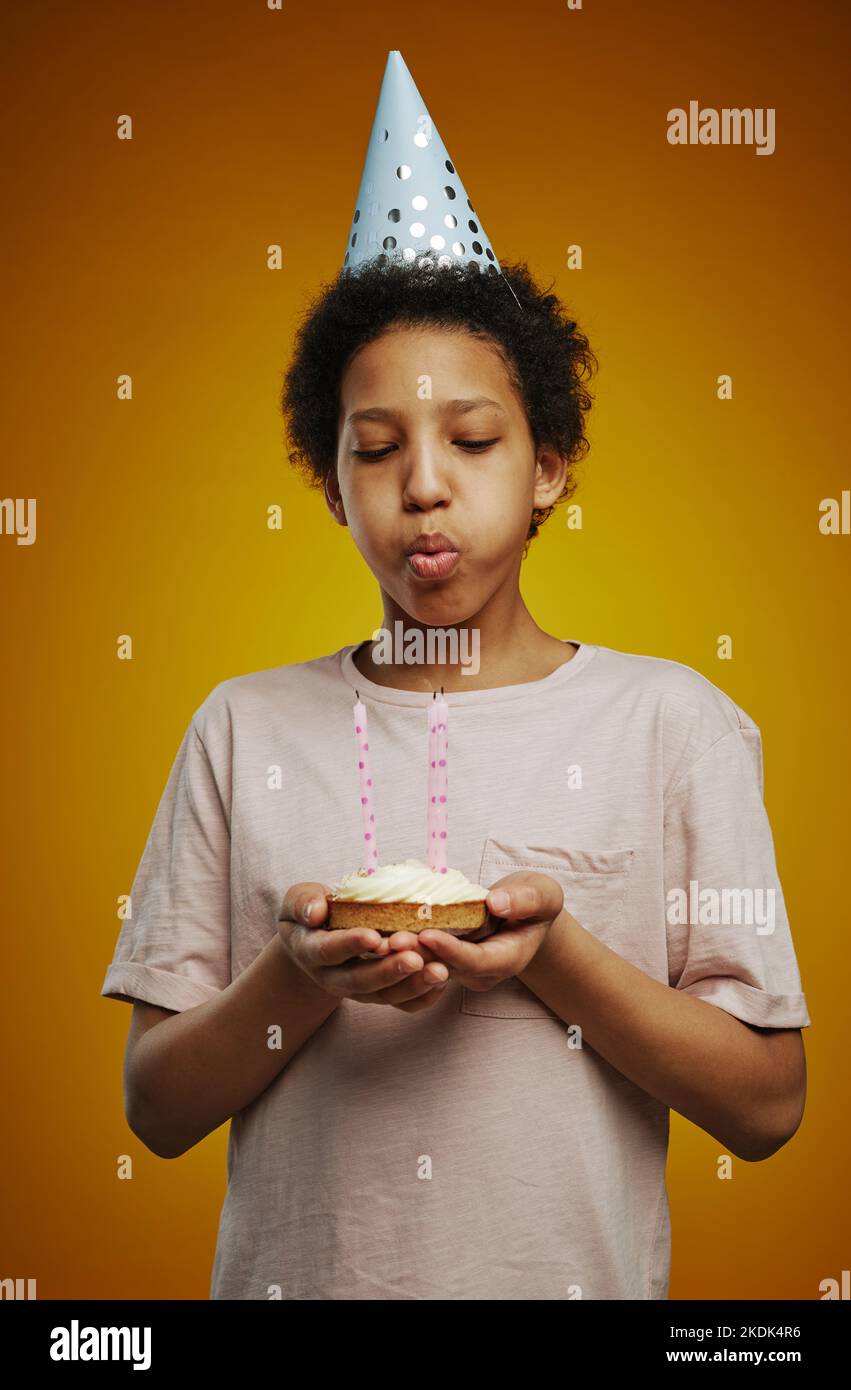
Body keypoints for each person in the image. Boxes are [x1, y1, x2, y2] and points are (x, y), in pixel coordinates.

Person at [101, 250, 810, 1300]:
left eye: (472, 440)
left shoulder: (673, 725)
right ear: (331, 485)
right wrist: (295, 977)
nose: (424, 486)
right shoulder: (240, 728)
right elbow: (156, 1112)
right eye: (375, 449)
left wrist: (552, 955)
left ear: (547, 466)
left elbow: (763, 1106)